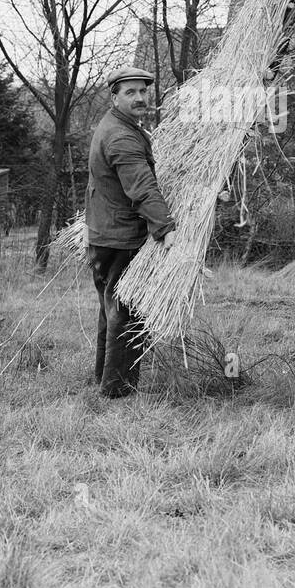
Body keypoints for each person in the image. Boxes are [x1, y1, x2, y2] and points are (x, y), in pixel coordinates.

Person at [85, 67, 176, 398]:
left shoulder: (114, 125)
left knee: (110, 310)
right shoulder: (122, 137)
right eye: (131, 92)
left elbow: (97, 182)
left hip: (102, 234)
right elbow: (142, 187)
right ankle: (118, 391)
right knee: (126, 312)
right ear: (114, 97)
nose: (140, 98)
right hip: (120, 238)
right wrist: (165, 228)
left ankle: (103, 380)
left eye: (143, 91)